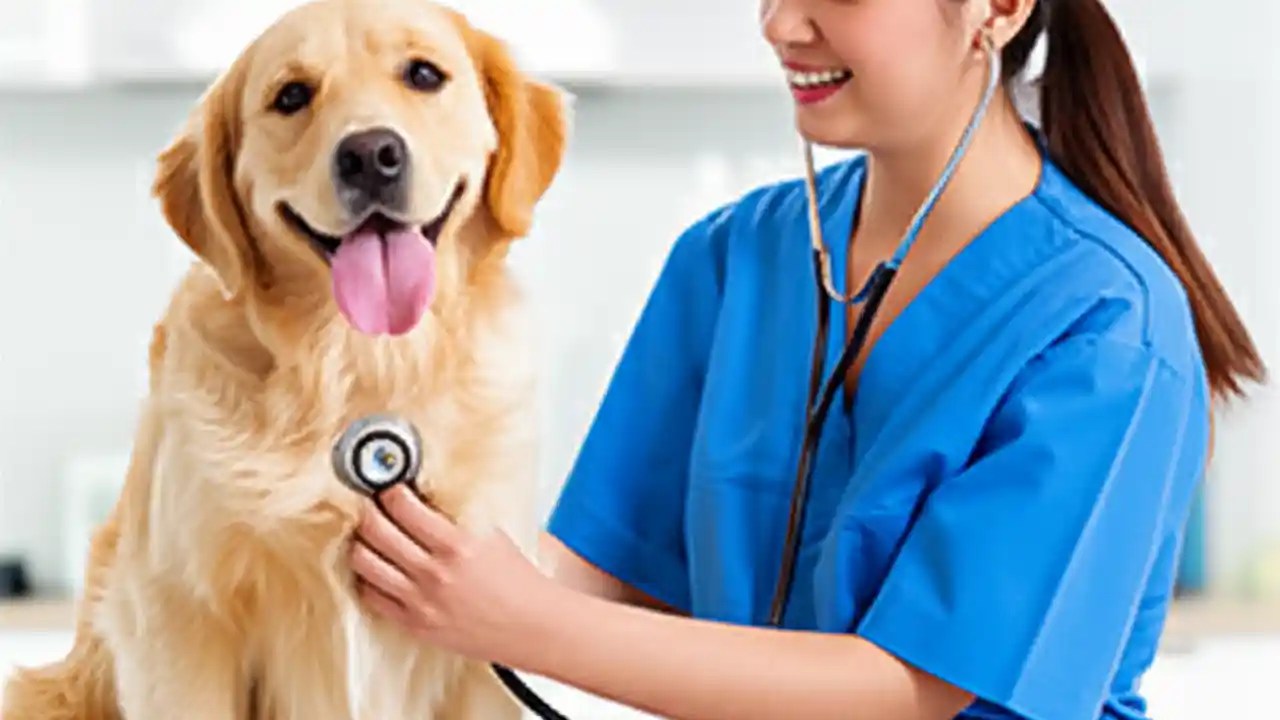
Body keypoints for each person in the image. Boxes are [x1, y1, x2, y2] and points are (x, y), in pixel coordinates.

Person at [346, 0, 1266, 718]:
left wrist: (524, 623)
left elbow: (906, 689)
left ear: (998, 8)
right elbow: (596, 575)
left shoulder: (1105, 324)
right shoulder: (730, 260)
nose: (782, 24)